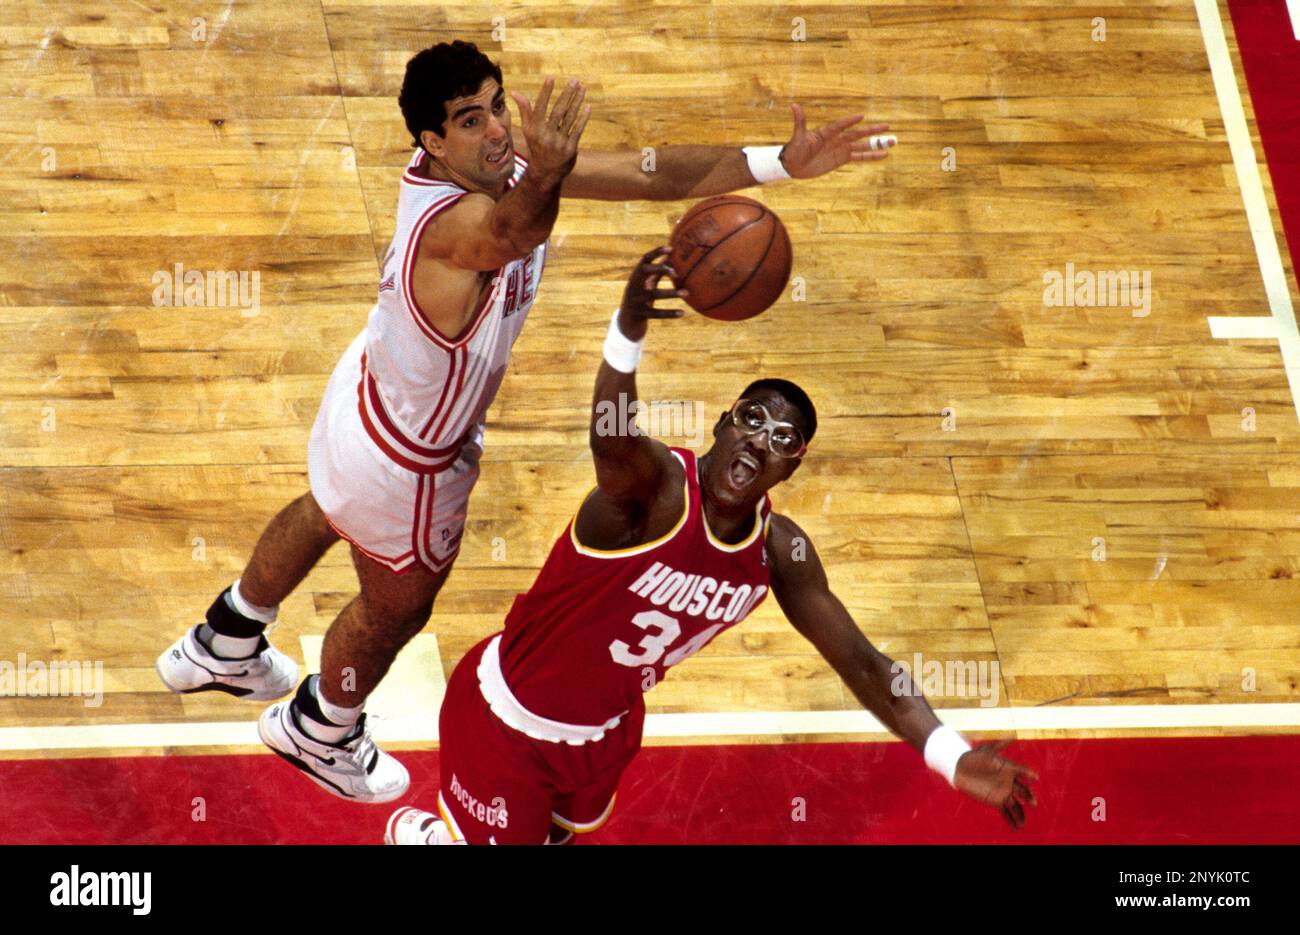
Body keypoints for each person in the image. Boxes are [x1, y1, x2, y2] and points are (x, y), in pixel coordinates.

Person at [155, 40, 896, 803]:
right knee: (393, 610)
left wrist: (779, 162)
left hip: (366, 393)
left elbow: (651, 174)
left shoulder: (502, 177)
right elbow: (512, 233)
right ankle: (321, 724)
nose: (498, 131)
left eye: (497, 106)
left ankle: (228, 635)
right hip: (411, 460)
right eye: (470, 121)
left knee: (323, 510)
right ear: (432, 144)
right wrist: (547, 171)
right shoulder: (453, 228)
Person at [385, 247, 1040, 844]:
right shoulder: (657, 491)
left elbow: (867, 665)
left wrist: (950, 755)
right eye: (751, 418)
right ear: (723, 425)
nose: (760, 438)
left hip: (607, 731)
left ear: (793, 466)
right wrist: (628, 331)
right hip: (508, 719)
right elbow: (610, 439)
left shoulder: (781, 553)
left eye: (782, 437)